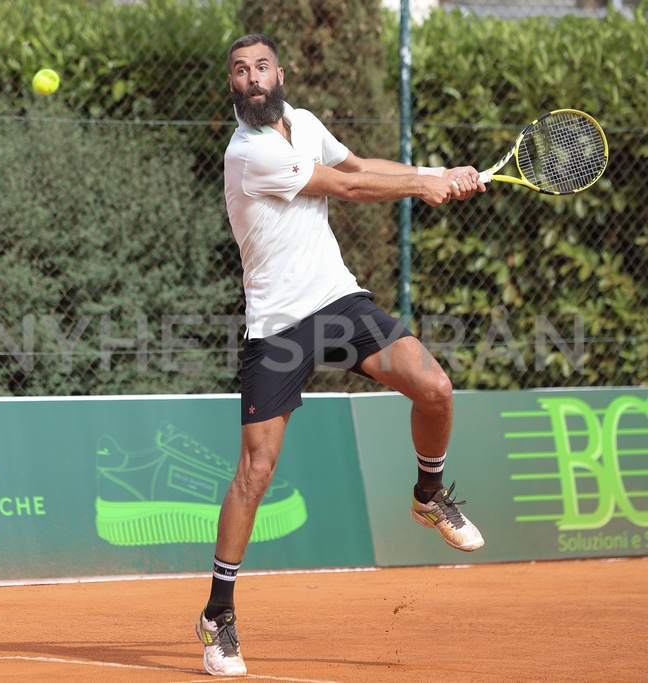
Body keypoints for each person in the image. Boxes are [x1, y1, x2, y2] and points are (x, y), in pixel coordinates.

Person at [194, 34, 487, 677]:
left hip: (337, 301)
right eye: (240, 71)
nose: (252, 78)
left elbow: (355, 165)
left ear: (280, 74)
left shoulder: (304, 123)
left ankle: (428, 493)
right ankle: (218, 615)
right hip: (278, 326)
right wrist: (425, 185)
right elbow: (346, 190)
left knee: (435, 388)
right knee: (256, 471)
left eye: (262, 67)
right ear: (233, 86)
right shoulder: (248, 152)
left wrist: (434, 173)